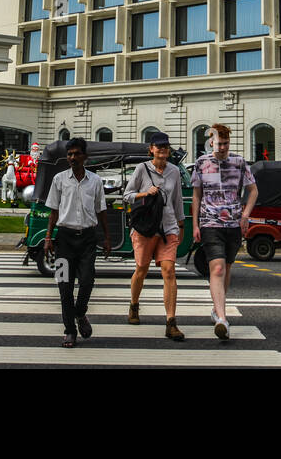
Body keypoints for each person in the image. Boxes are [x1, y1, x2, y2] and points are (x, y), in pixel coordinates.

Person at [191, 123, 257, 340]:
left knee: (226, 268)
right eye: (219, 143)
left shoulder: (239, 162)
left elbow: (253, 190)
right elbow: (197, 196)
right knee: (217, 268)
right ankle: (222, 319)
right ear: (212, 142)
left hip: (234, 224)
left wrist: (246, 214)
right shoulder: (201, 163)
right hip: (210, 223)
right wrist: (195, 225)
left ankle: (216, 309)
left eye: (226, 144)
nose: (222, 147)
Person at [43, 138, 111, 348]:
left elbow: (101, 210)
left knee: (88, 281)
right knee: (64, 287)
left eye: (76, 154)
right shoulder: (59, 179)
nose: (72, 157)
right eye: (69, 154)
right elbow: (54, 210)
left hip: (88, 239)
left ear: (85, 156)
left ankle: (80, 313)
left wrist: (107, 237)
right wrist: (48, 237)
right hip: (64, 240)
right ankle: (70, 331)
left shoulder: (95, 181)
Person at [123, 131, 186, 341]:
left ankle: (171, 322)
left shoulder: (174, 172)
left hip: (168, 227)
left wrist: (180, 223)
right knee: (141, 269)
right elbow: (127, 195)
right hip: (145, 228)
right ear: (151, 149)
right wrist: (145, 193)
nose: (162, 150)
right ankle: (134, 305)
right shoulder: (142, 169)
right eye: (158, 147)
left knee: (169, 271)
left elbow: (177, 199)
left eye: (165, 147)